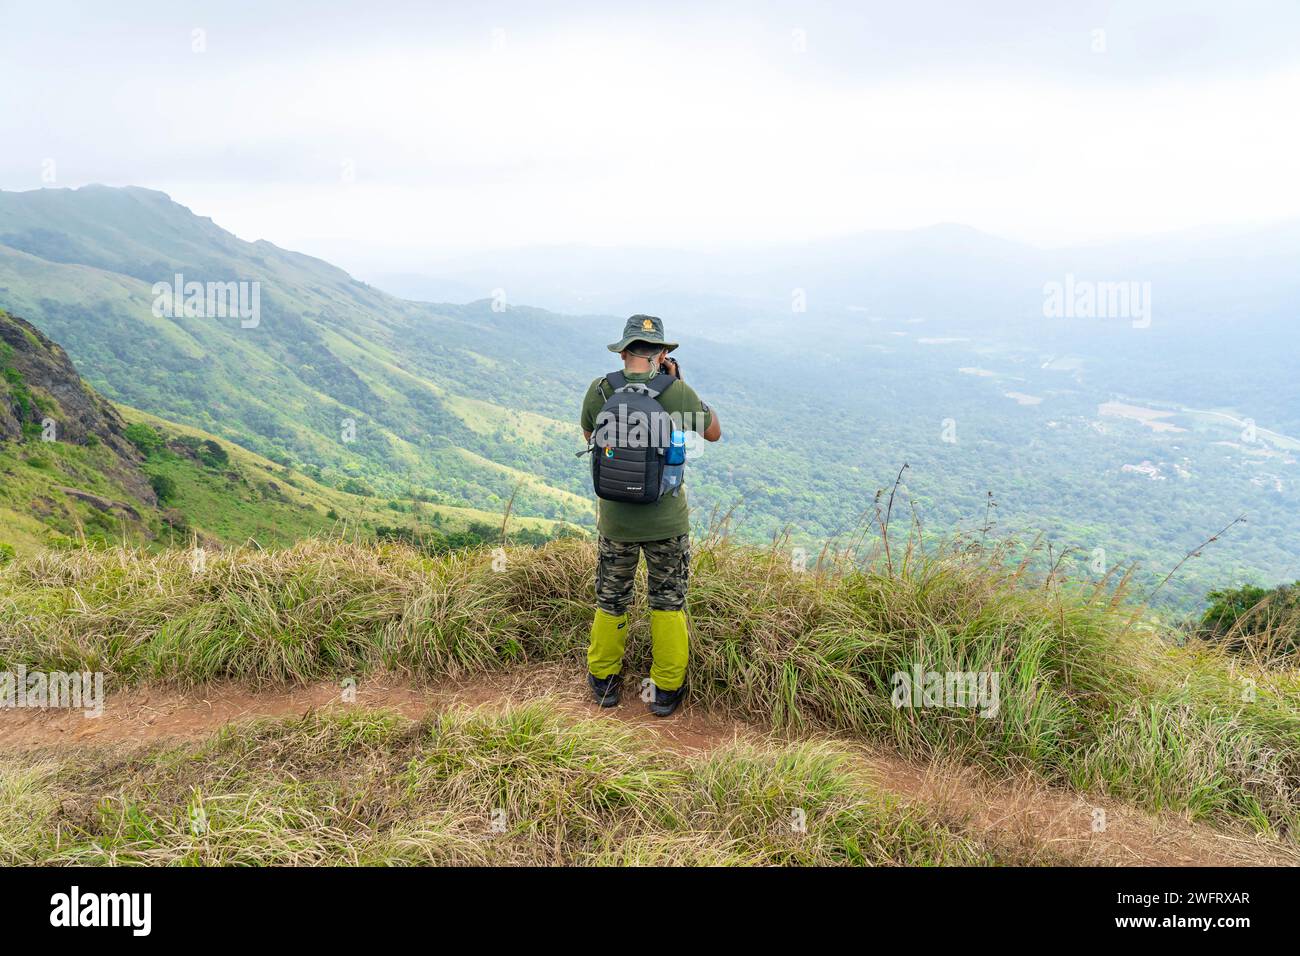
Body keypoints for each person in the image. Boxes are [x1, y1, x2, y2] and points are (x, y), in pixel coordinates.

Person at [579, 315, 722, 716]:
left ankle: (605, 682)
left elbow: (590, 436)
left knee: (611, 598)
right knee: (667, 600)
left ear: (624, 352)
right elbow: (712, 433)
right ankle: (665, 689)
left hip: (616, 521)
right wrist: (680, 385)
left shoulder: (601, 389)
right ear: (661, 354)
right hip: (666, 522)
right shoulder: (674, 391)